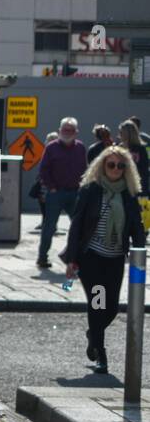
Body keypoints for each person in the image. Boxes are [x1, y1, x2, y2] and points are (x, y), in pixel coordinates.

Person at [61, 146, 145, 374]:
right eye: (111, 164)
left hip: (115, 259)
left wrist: (141, 249)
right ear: (102, 166)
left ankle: (93, 334)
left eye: (121, 165)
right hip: (92, 259)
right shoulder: (91, 190)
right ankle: (101, 353)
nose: (116, 169)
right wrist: (71, 259)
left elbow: (136, 225)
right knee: (98, 303)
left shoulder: (128, 193)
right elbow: (77, 224)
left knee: (111, 309)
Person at [36, 117, 86, 269]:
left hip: (75, 193)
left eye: (70, 130)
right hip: (56, 193)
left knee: (80, 227)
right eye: (64, 129)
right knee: (49, 227)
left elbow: (85, 169)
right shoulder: (51, 147)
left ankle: (74, 257)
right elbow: (43, 170)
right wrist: (51, 187)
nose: (67, 133)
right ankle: (42, 257)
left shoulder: (80, 148)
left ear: (76, 132)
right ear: (59, 131)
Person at [118, 119, 149, 189]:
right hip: (124, 187)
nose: (119, 135)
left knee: (144, 200)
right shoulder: (119, 148)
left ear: (128, 133)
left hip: (140, 186)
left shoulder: (141, 149)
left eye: (121, 132)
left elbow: (144, 169)